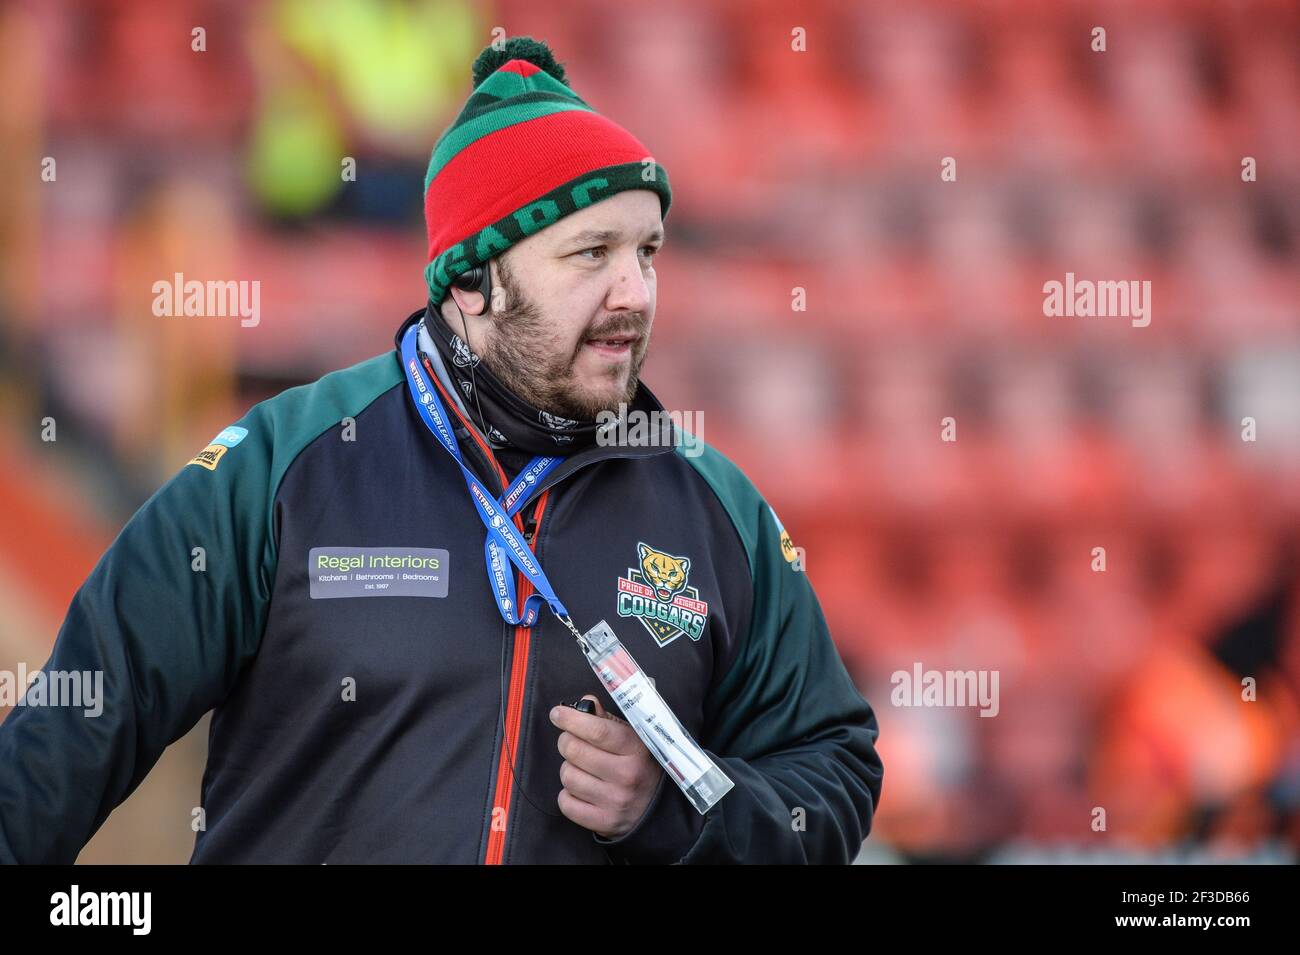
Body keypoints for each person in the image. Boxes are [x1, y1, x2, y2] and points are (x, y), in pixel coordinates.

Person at [0, 37, 883, 864]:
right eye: (592, 253)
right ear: (472, 279)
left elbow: (834, 774)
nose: (636, 292)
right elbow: (73, 733)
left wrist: (681, 809)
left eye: (647, 251)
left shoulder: (714, 507)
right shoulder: (280, 466)